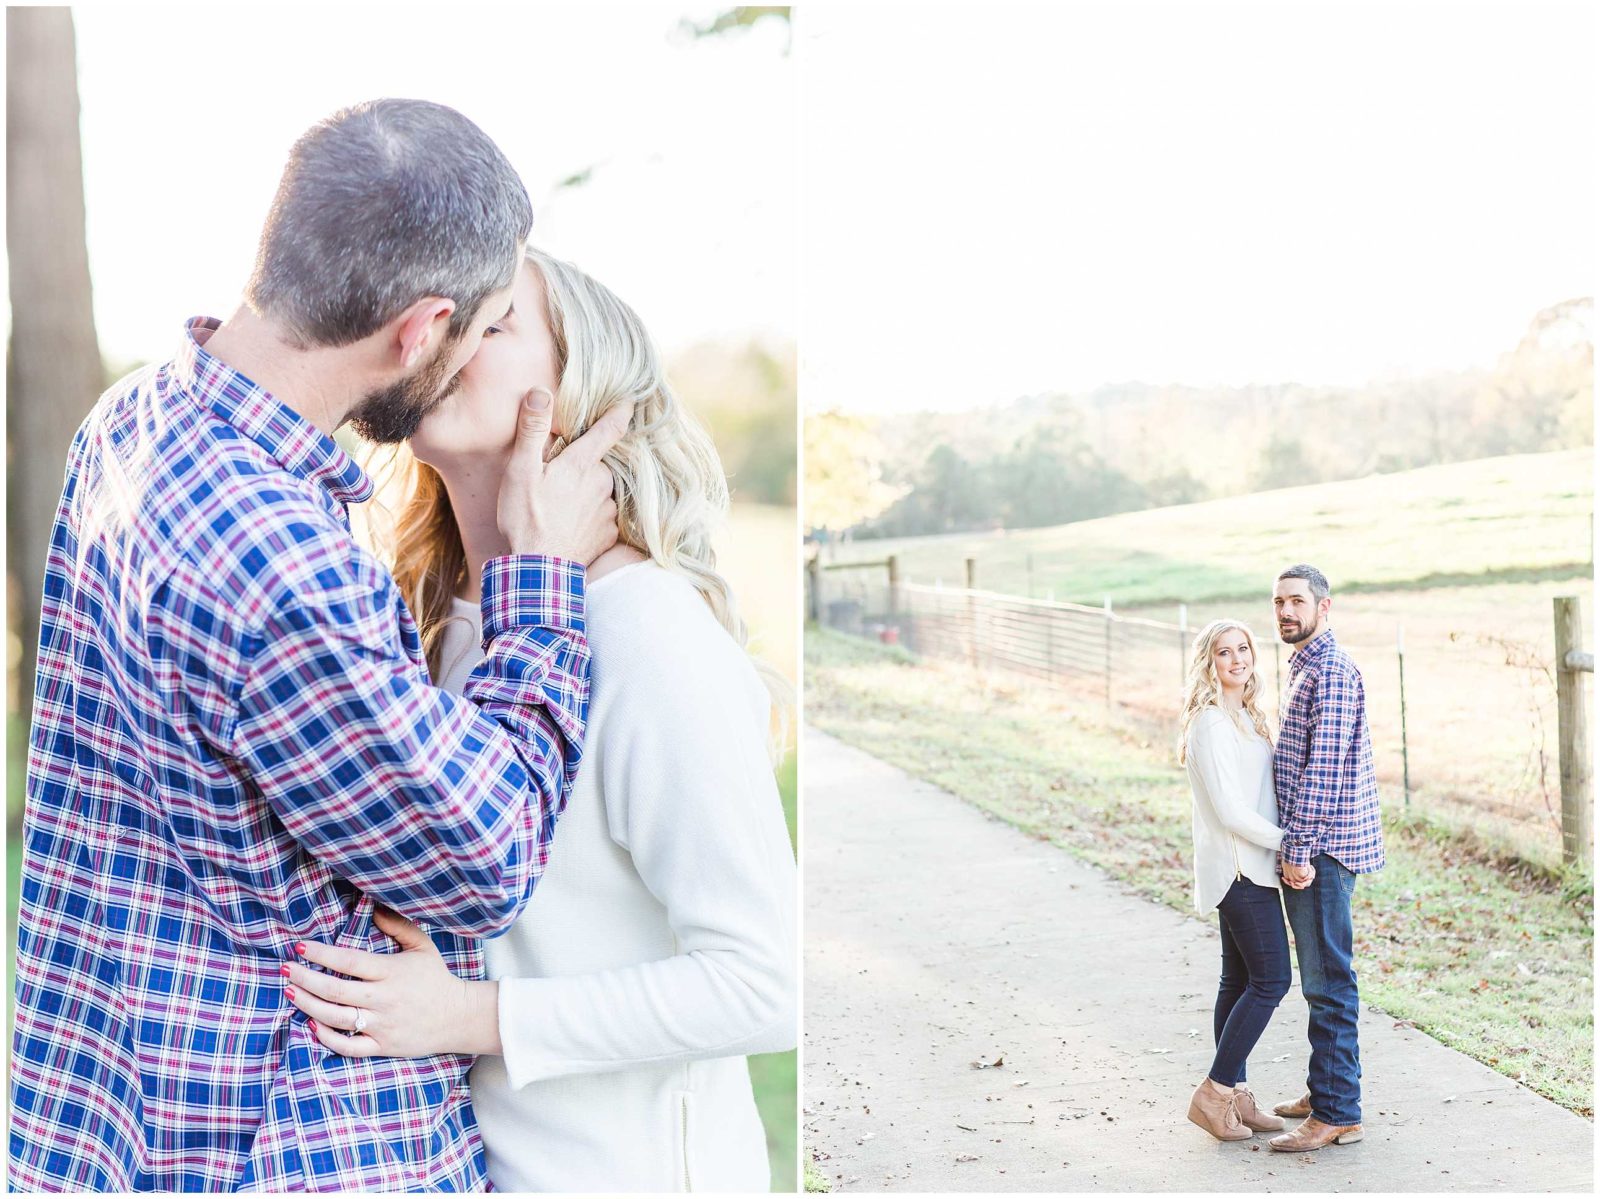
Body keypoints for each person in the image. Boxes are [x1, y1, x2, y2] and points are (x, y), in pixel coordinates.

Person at [9, 100, 629, 1192]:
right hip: (280, 1142)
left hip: (107, 1112)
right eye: (478, 330)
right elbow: (483, 857)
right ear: (417, 329)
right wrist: (534, 581)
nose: (479, 353)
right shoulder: (280, 560)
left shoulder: (131, 416)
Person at [282, 248, 798, 1192]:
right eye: (446, 311)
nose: (446, 333)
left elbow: (765, 985)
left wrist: (473, 1017)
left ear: (577, 396)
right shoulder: (447, 626)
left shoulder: (651, 637)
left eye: (495, 320)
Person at [1267, 563, 1385, 1152]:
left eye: (1296, 602)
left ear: (1323, 607)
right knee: (1322, 976)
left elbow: (1323, 774)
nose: (1286, 612)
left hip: (1322, 852)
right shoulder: (1304, 667)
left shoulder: (1331, 672)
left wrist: (1299, 852)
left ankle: (1338, 1111)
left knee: (1327, 980)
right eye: (1279, 602)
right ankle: (1327, 1087)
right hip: (1317, 847)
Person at [1179, 618, 1304, 1141]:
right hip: (1237, 868)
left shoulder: (1247, 717)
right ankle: (1214, 1092)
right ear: (1208, 662)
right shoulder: (1209, 722)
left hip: (1252, 866)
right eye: (1224, 652)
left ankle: (1236, 1096)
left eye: (1244, 649)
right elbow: (1231, 810)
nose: (1237, 659)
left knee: (1238, 981)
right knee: (1272, 980)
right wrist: (1288, 843)